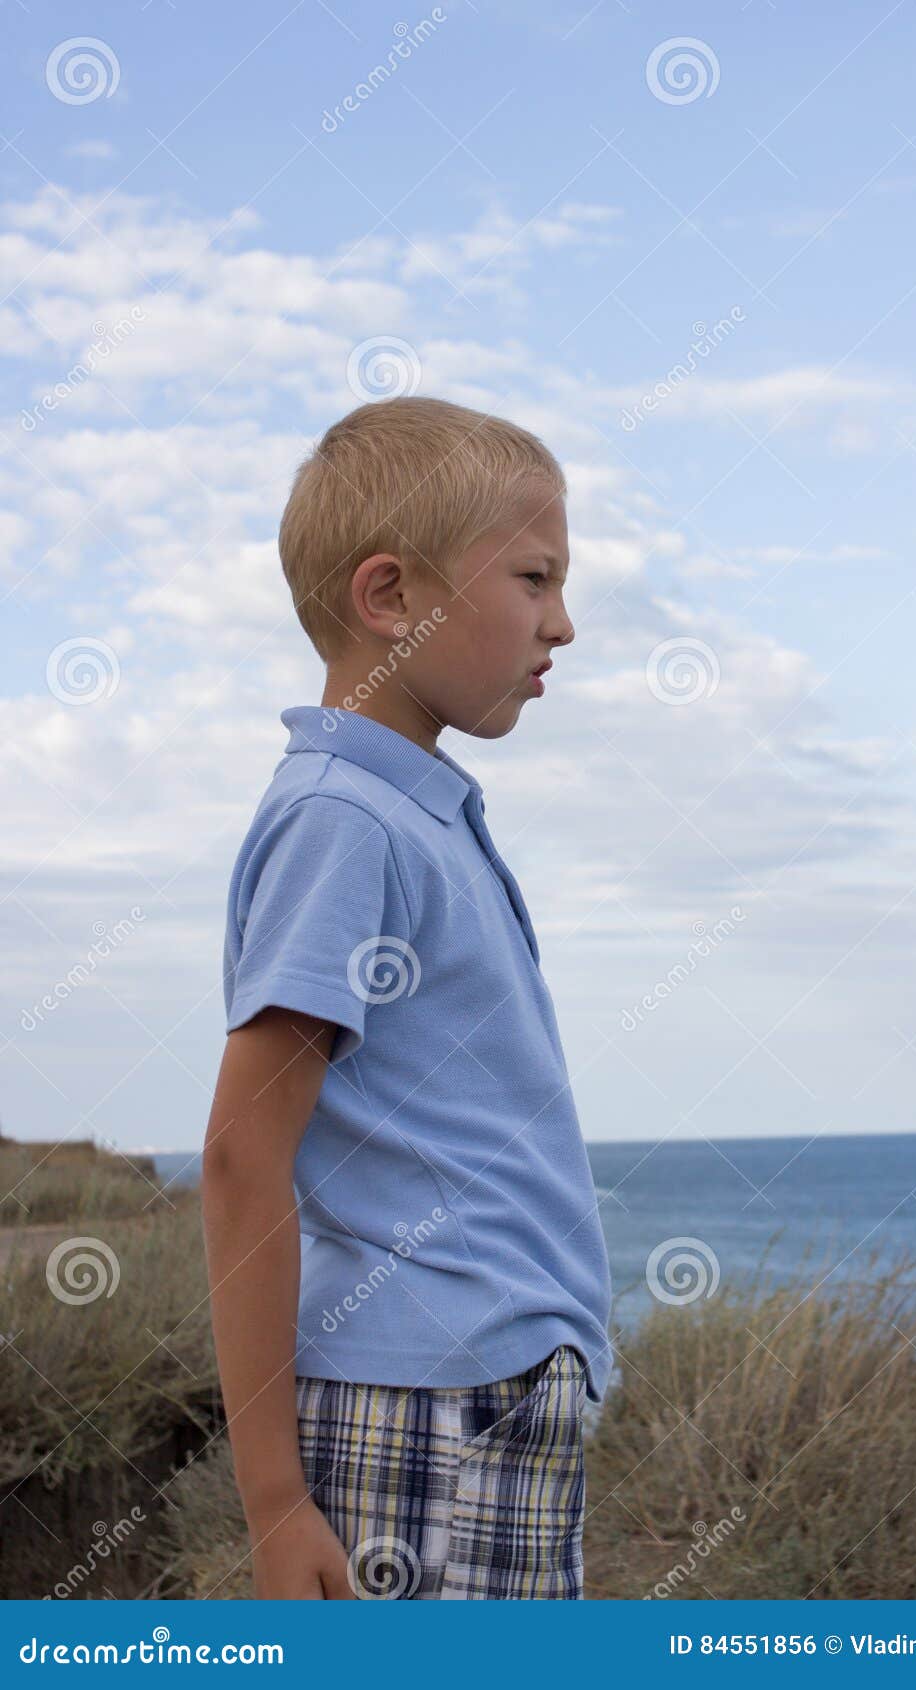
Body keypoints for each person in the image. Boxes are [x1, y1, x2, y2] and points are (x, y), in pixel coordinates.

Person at [201, 395, 614, 1600]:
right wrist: (275, 1504)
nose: (564, 623)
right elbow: (240, 1155)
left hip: (483, 1395)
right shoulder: (344, 818)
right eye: (533, 578)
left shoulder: (409, 811)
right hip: (427, 1408)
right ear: (388, 598)